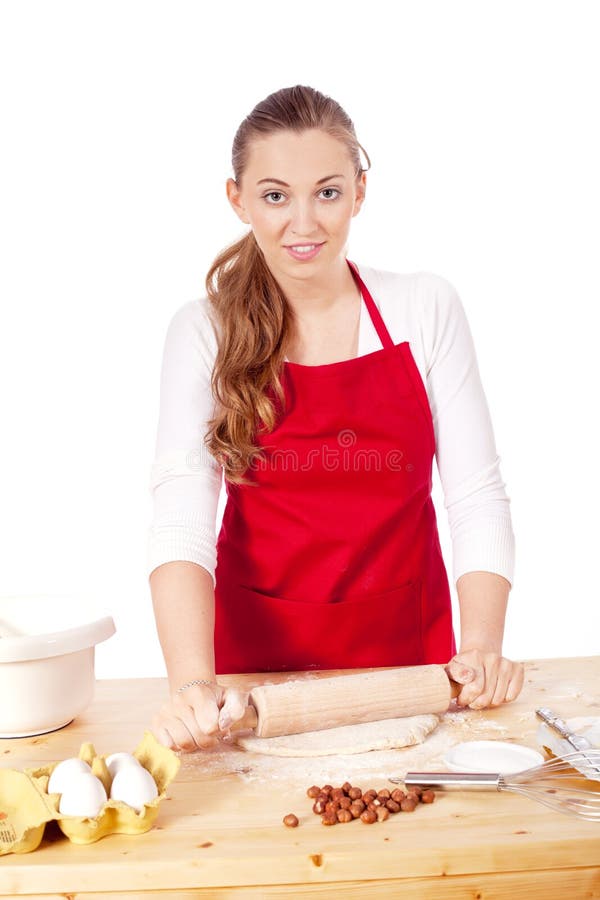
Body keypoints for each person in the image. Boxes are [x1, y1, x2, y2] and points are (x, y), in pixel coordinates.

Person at [147, 84, 524, 753]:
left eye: (327, 192)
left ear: (359, 190)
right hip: (252, 678)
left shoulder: (424, 307)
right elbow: (182, 510)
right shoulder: (202, 330)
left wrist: (484, 650)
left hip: (408, 668)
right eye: (274, 195)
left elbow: (475, 493)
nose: (304, 223)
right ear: (237, 200)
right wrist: (191, 686)